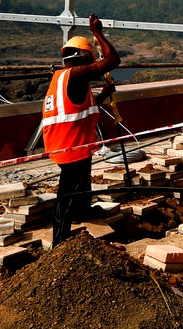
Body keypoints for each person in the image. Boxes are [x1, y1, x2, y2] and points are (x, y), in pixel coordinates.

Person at [42, 14, 120, 247]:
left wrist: (104, 94)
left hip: (73, 143)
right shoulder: (74, 75)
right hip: (69, 145)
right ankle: (60, 241)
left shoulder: (66, 79)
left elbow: (81, 107)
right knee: (66, 193)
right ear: (84, 58)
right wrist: (97, 33)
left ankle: (82, 211)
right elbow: (113, 60)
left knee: (80, 183)